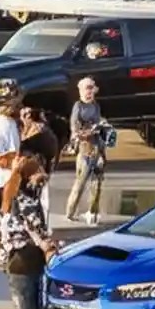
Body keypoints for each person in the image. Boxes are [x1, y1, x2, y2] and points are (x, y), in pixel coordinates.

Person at [0, 156, 54, 309]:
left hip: (19, 261)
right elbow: (35, 227)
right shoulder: (26, 199)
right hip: (26, 263)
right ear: (30, 176)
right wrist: (49, 247)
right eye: (39, 172)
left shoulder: (18, 195)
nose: (43, 175)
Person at [64, 77, 106, 225]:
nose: (90, 92)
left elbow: (99, 123)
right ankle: (70, 211)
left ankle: (92, 213)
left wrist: (100, 127)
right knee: (81, 181)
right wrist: (88, 131)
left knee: (97, 182)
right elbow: (74, 127)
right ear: (81, 91)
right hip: (84, 147)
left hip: (98, 147)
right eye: (87, 88)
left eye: (91, 88)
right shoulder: (78, 106)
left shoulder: (96, 105)